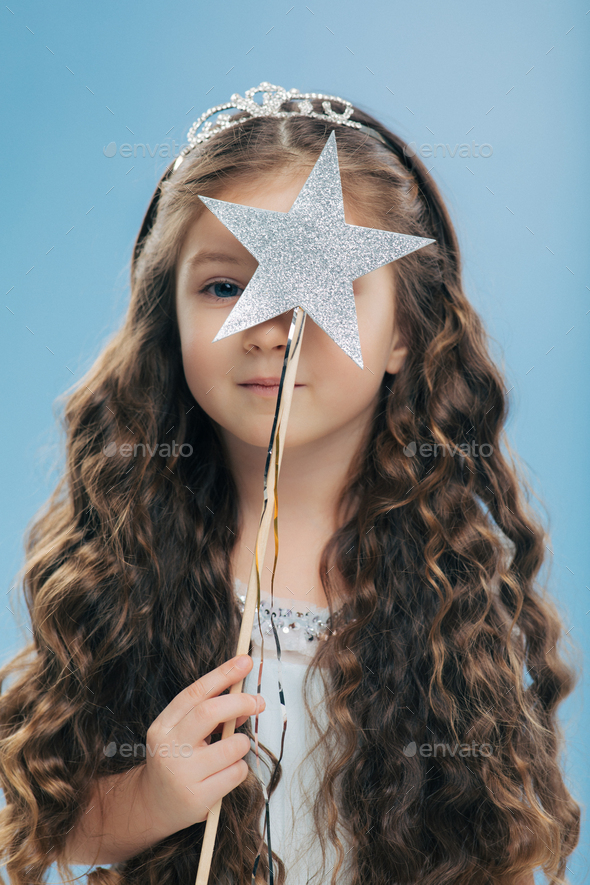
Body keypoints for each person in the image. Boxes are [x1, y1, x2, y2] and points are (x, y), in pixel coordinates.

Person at [0, 84, 580, 885]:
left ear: (404, 332)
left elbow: (501, 841)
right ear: (168, 317)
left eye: (330, 289)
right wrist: (153, 793)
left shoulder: (449, 586)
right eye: (225, 286)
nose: (275, 328)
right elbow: (47, 827)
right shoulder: (131, 563)